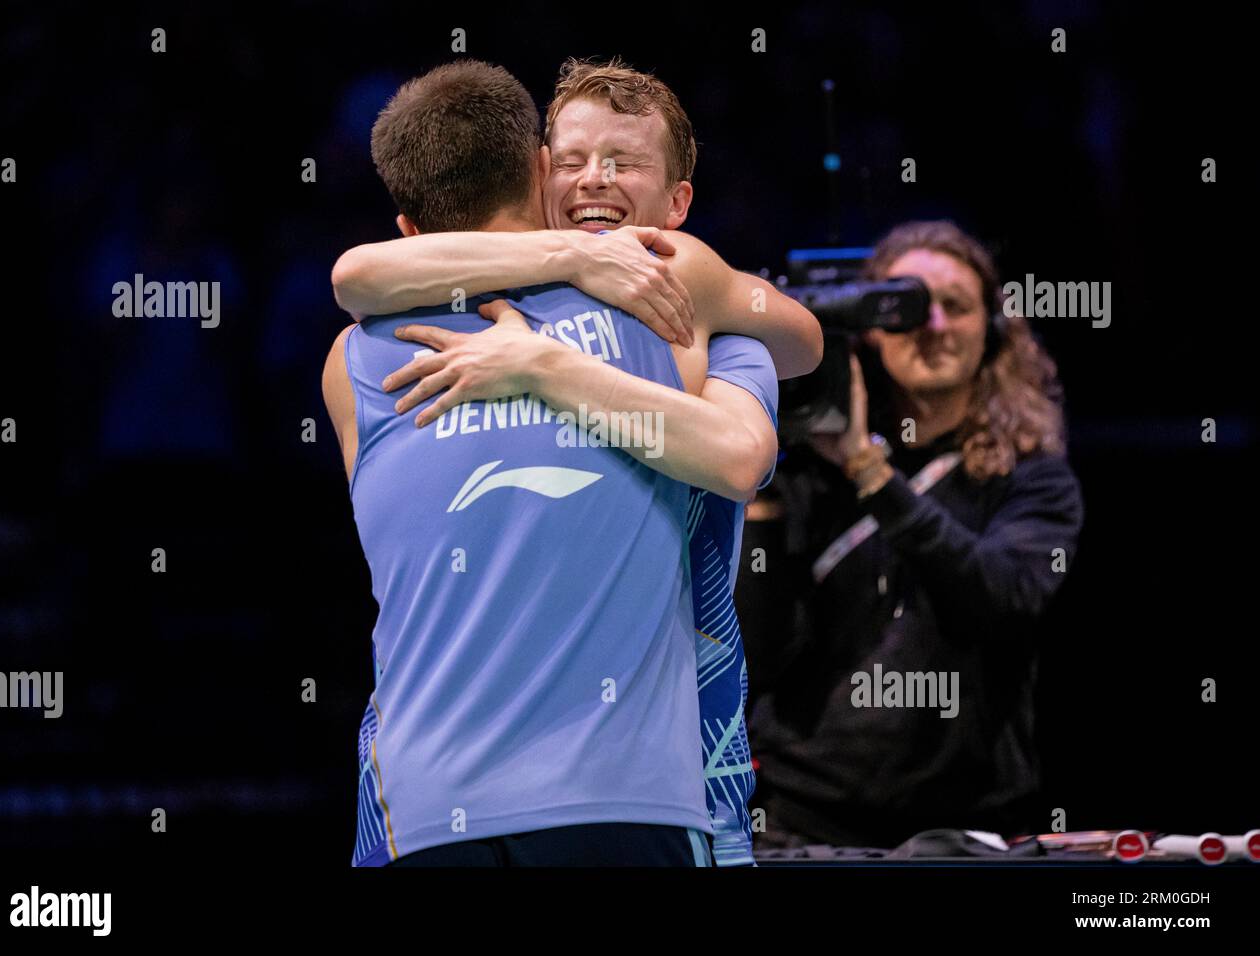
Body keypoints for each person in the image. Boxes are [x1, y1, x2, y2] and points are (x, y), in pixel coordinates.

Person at [334, 57, 808, 866]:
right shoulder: (669, 301)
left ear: (679, 205)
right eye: (577, 159)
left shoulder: (354, 357)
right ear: (541, 168)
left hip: (431, 804)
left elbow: (355, 275)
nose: (596, 182)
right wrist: (577, 262)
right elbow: (357, 273)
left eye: (624, 164)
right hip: (618, 796)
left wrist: (544, 364)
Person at [745, 220, 1084, 850]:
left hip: (964, 826)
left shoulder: (1034, 480)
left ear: (995, 328)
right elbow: (753, 657)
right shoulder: (808, 474)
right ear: (869, 330)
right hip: (798, 818)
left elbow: (999, 599)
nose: (932, 327)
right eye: (908, 309)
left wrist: (868, 468)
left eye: (954, 307)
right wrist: (758, 486)